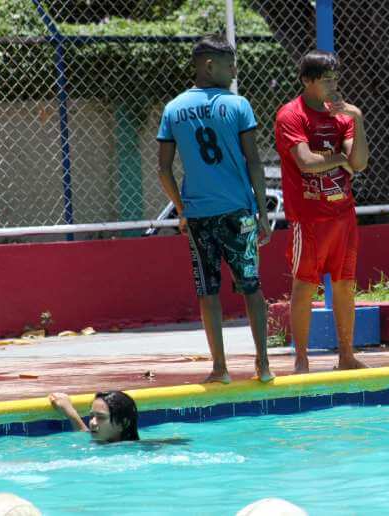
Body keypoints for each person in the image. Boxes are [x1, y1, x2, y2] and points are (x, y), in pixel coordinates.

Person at [156, 34, 273, 384]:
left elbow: (163, 169)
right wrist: (263, 214)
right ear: (210, 65)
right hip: (238, 213)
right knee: (252, 287)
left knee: (208, 291)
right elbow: (254, 161)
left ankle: (219, 368)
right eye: (230, 63)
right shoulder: (239, 106)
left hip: (198, 216)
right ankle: (263, 365)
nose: (235, 70)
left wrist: (181, 209)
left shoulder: (174, 109)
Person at [274, 50, 369, 373]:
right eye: (325, 79)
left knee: (344, 284)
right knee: (304, 285)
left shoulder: (342, 116)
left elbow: (359, 162)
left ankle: (346, 354)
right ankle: (301, 358)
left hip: (343, 215)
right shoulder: (291, 114)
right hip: (309, 217)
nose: (333, 85)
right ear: (306, 81)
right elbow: (307, 163)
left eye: (335, 78)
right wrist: (340, 159)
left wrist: (357, 119)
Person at [48, 391, 140, 442]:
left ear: (124, 423)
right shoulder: (103, 442)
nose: (92, 422)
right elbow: (84, 433)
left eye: (101, 417)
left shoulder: (140, 449)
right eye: (91, 416)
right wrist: (69, 411)